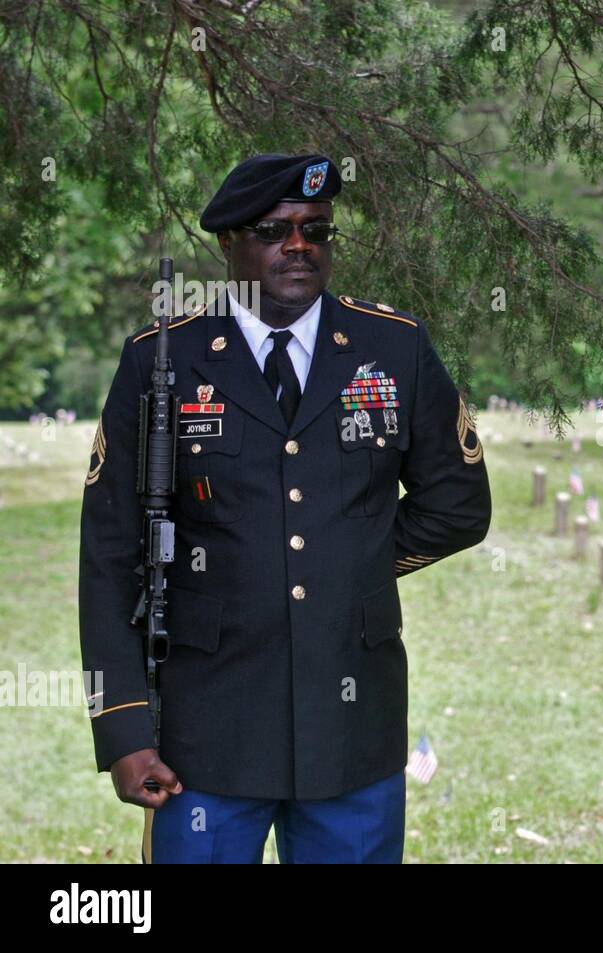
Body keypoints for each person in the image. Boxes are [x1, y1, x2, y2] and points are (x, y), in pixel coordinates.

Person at [78, 153, 492, 863]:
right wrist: (124, 730)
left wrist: (353, 561)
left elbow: (457, 503)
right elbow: (111, 557)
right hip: (205, 736)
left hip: (351, 727)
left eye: (316, 230)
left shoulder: (392, 348)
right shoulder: (161, 362)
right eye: (274, 230)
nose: (299, 246)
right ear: (229, 243)